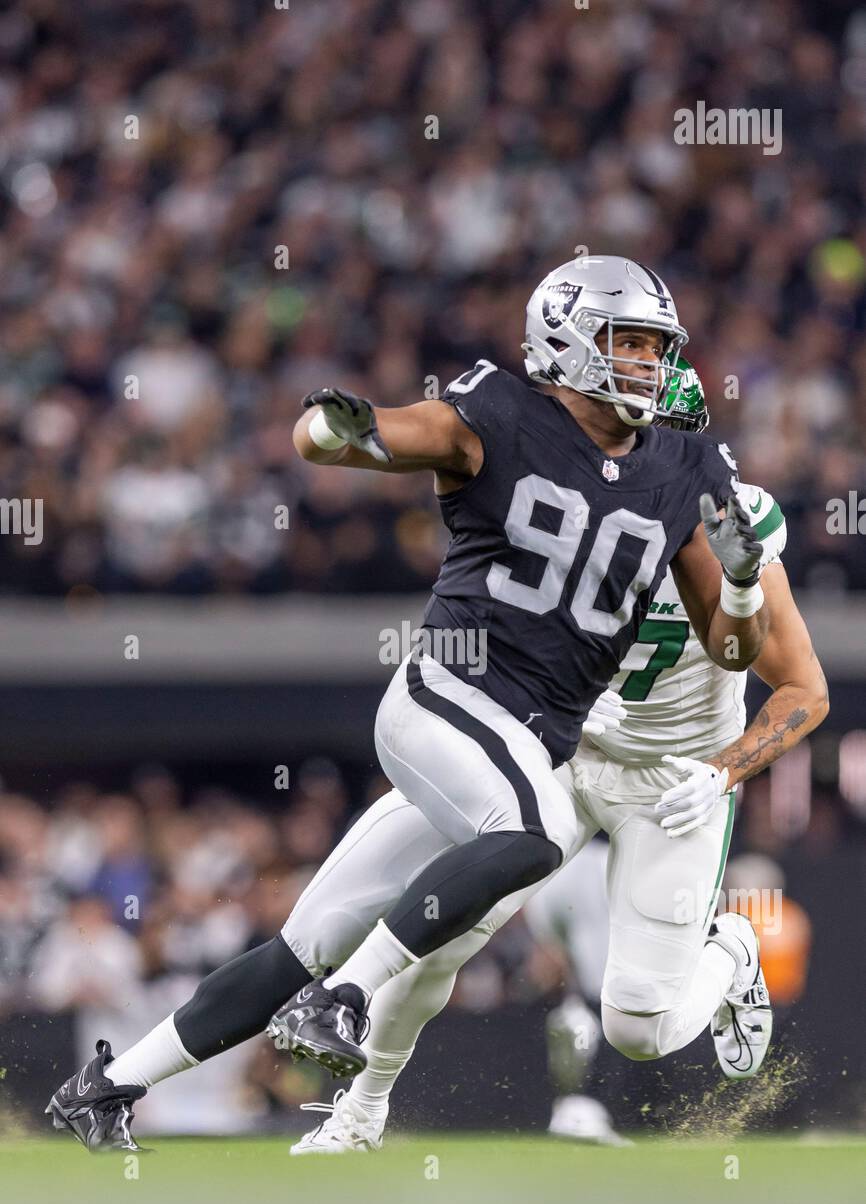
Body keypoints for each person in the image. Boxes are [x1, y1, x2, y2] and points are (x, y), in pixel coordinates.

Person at [47, 258, 768, 1151]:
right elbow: (374, 435)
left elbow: (736, 649)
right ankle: (344, 1000)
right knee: (537, 834)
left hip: (521, 745)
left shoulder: (681, 463)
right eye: (628, 341)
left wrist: (740, 581)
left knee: (308, 937)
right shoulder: (503, 412)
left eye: (657, 346)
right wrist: (331, 430)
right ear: (566, 337)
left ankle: (107, 1086)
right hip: (450, 698)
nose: (647, 363)